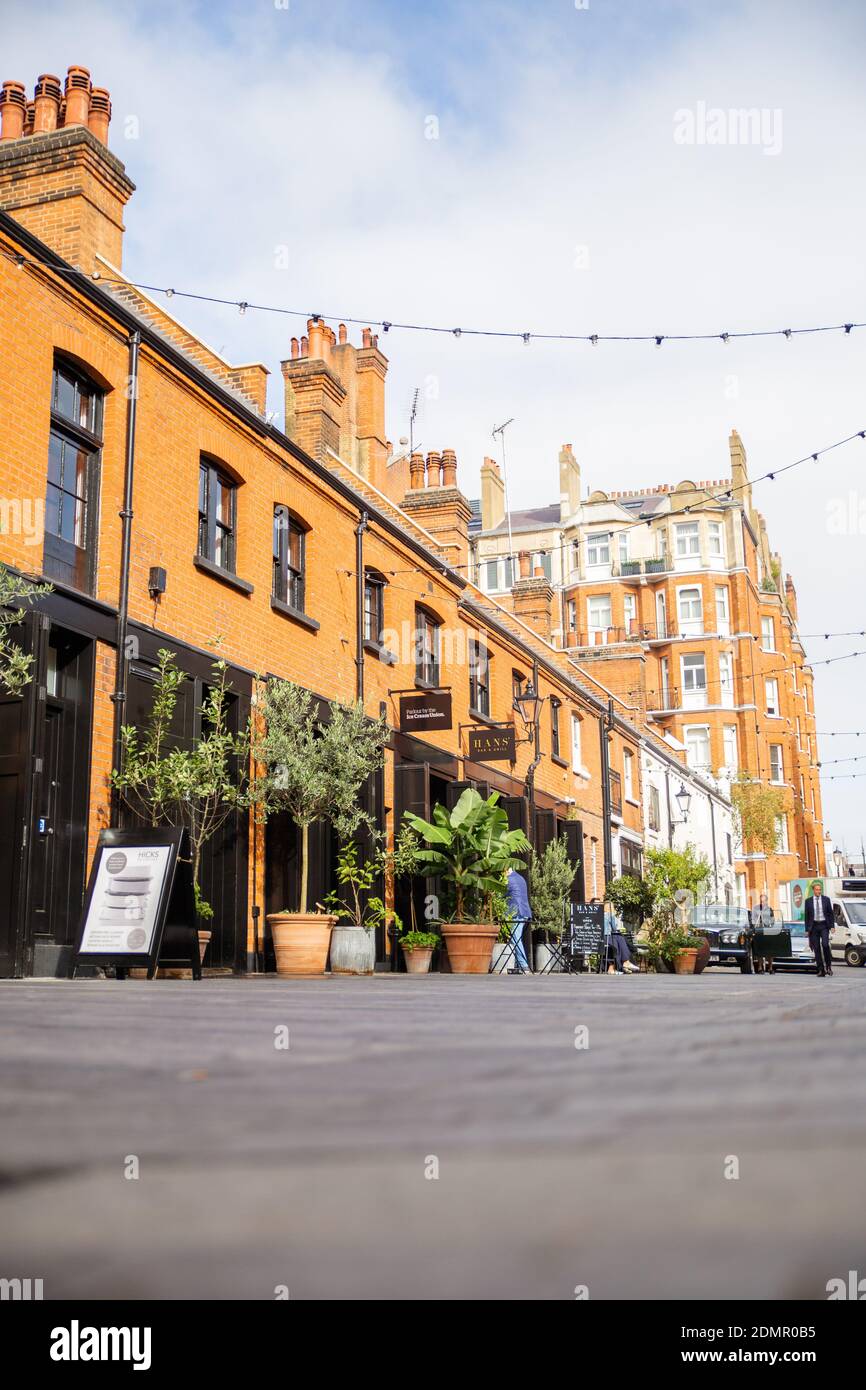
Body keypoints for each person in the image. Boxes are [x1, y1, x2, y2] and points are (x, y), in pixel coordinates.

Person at [598, 898, 640, 974]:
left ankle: (617, 966)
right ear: (611, 908)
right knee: (620, 939)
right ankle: (625, 962)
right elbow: (614, 928)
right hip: (607, 938)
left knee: (618, 941)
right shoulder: (609, 915)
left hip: (600, 939)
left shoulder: (599, 915)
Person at [804, 880, 834, 977]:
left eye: (820, 890)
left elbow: (830, 913)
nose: (819, 891)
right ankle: (821, 970)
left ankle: (828, 966)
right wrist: (807, 930)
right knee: (816, 948)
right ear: (813, 890)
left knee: (825, 945)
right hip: (813, 927)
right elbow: (807, 916)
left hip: (824, 925)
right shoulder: (808, 901)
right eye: (817, 890)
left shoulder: (826, 899)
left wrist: (832, 926)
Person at [505, 866, 532, 973]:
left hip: (516, 912)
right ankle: (519, 966)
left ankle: (524, 965)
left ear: (505, 870)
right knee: (516, 937)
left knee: (515, 938)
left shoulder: (509, 880)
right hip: (524, 911)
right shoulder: (520, 877)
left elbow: (503, 895)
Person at [748, 893, 775, 974]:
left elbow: (773, 920)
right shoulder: (756, 909)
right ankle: (760, 967)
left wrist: (770, 924)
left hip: (767, 930)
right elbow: (752, 920)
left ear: (767, 901)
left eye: (764, 901)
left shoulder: (769, 909)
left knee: (770, 951)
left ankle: (770, 967)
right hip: (759, 930)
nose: (762, 903)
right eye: (761, 901)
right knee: (760, 950)